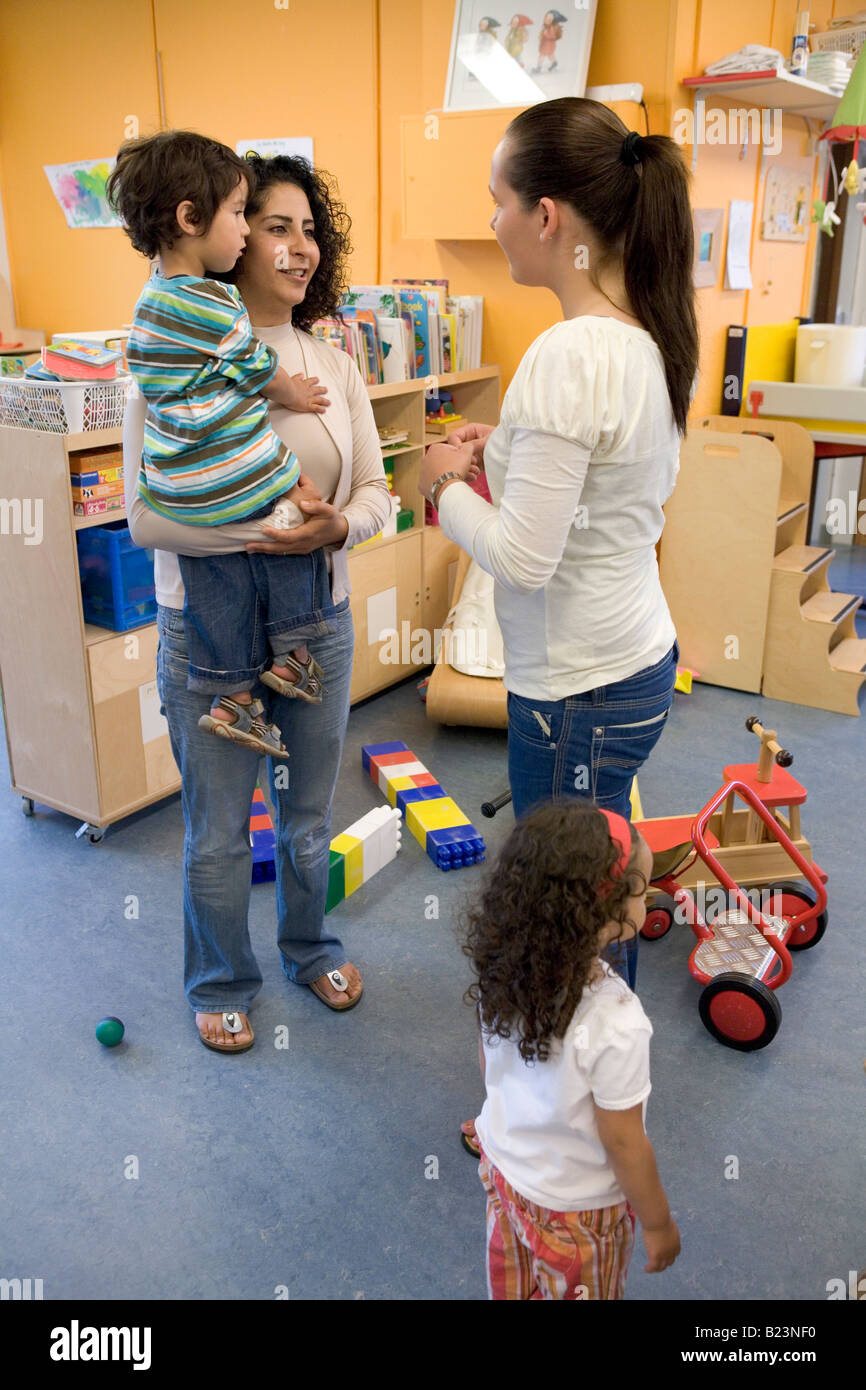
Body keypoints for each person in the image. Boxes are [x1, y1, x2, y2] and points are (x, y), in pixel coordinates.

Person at [419, 98, 698, 997]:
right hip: (635, 661)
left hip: (577, 690)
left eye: (497, 199)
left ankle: (566, 1103)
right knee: (600, 865)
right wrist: (505, 446)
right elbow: (601, 486)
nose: (492, 222)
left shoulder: (566, 354)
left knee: (564, 904)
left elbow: (526, 558)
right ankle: (591, 1081)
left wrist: (443, 486)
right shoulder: (644, 334)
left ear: (547, 217)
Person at [124, 153, 391, 1051]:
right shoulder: (176, 349)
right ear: (226, 236)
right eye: (274, 225)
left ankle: (309, 949)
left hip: (317, 616)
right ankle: (219, 979)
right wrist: (263, 537)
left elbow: (379, 499)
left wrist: (333, 531)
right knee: (218, 833)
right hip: (205, 632)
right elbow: (144, 519)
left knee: (309, 821)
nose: (298, 246)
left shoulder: (334, 359)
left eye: (310, 229)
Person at [110, 133, 338, 759]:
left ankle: (232, 696)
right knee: (293, 495)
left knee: (217, 579)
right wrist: (292, 394)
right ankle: (294, 654)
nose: (240, 232)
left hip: (180, 488)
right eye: (245, 216)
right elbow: (256, 366)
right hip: (231, 472)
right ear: (190, 218)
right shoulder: (215, 300)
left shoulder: (148, 305)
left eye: (309, 230)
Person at [463, 799, 680, 1300]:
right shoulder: (617, 1021)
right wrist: (658, 1222)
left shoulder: (503, 964)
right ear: (606, 916)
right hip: (577, 1215)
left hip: (502, 1173)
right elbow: (624, 1143)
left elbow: (488, 1060)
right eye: (644, 890)